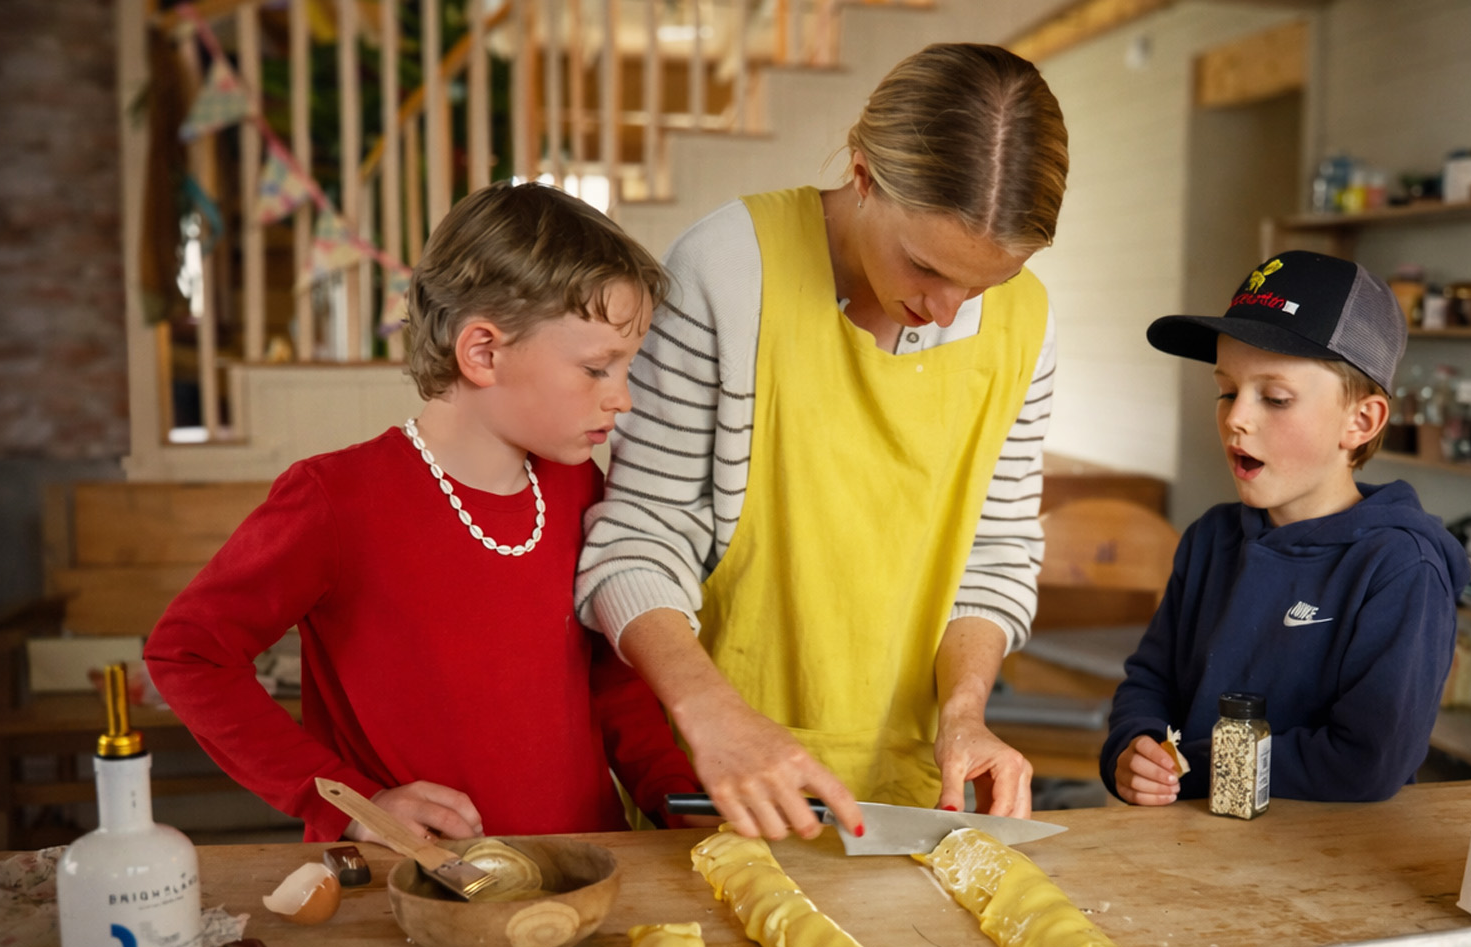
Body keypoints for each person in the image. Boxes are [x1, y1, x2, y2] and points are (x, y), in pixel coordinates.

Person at [575, 43, 1069, 840]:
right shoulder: (730, 270)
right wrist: (713, 716)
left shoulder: (1029, 325)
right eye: (925, 267)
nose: (949, 312)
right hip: (719, 777)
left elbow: (994, 554)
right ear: (864, 173)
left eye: (984, 286)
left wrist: (965, 713)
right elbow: (638, 539)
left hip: (907, 788)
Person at [146, 181, 698, 844]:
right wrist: (353, 804)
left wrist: (680, 795)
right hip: (410, 889)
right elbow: (187, 654)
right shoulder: (335, 499)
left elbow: (611, 682)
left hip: (580, 875)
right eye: (599, 369)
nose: (624, 398)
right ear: (483, 352)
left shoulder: (578, 487)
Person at [1101, 250, 1469, 807]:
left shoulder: (1400, 568)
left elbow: (1366, 763)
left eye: (1274, 398)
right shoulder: (1209, 539)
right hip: (1184, 844)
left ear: (1361, 421)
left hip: (1322, 863)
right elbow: (1148, 681)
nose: (1236, 418)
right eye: (1226, 391)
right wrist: (1135, 749)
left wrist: (1190, 767)